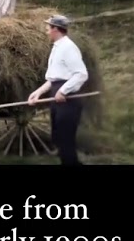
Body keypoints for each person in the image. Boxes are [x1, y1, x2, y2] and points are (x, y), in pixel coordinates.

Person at [26, 15, 90, 165]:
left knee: (65, 140)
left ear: (55, 29)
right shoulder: (57, 47)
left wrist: (64, 91)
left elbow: (81, 74)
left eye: (48, 28)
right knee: (58, 138)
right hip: (57, 96)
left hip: (69, 100)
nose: (46, 31)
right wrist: (38, 92)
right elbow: (53, 79)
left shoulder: (68, 47)